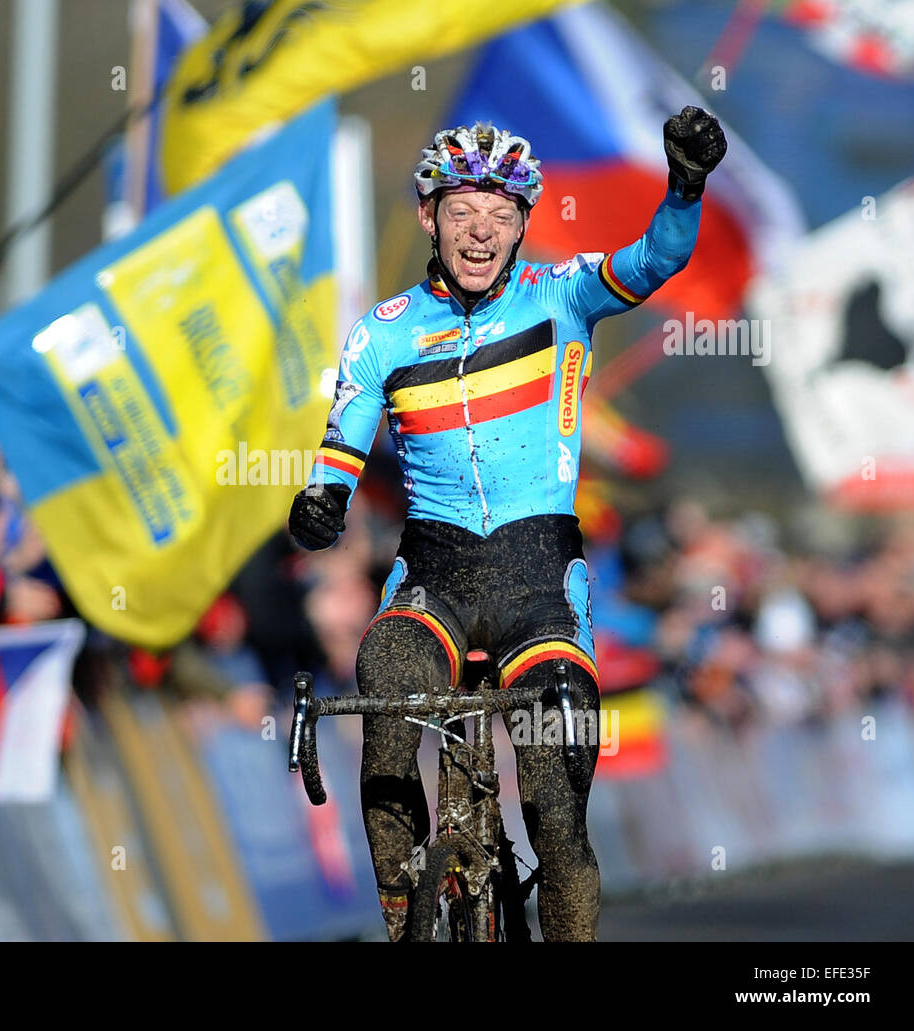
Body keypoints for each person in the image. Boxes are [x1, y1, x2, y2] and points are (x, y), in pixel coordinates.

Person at [287, 106, 727, 941]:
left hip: (539, 581)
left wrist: (687, 186)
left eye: (500, 215)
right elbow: (344, 437)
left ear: (526, 221)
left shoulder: (564, 295)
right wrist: (322, 499)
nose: (480, 232)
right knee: (385, 680)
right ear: (429, 217)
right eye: (461, 211)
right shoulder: (382, 332)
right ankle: (401, 910)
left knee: (556, 802)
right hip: (433, 575)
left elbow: (658, 257)